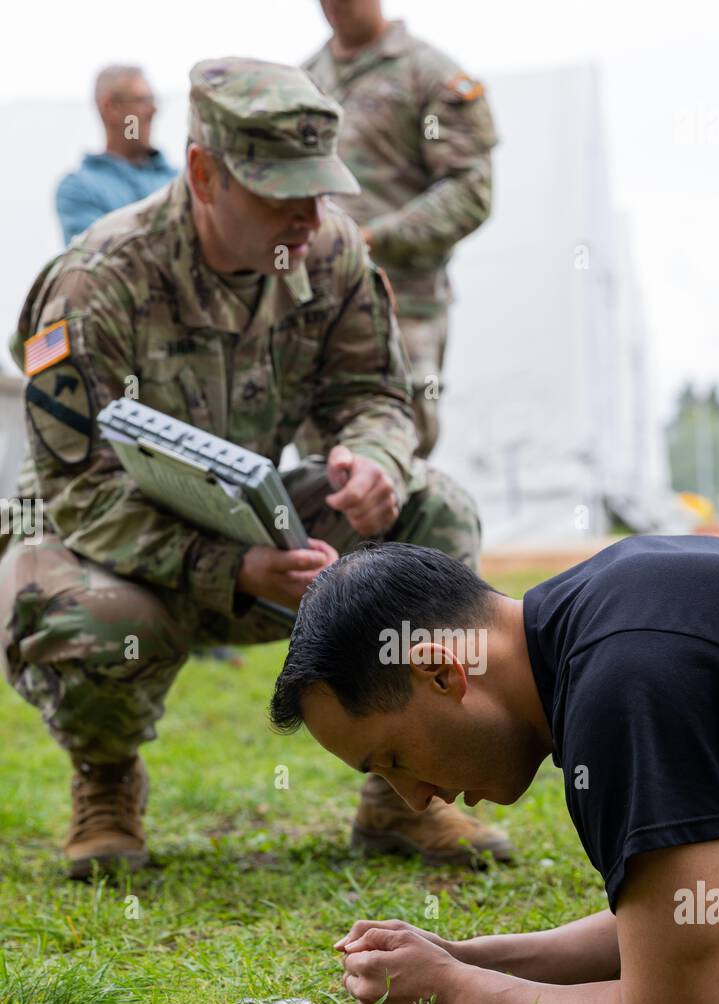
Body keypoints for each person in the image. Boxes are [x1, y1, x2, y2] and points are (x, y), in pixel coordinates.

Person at [0, 58, 511, 878]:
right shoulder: (95, 282)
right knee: (94, 617)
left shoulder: (332, 250)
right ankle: (104, 783)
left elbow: (375, 393)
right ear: (205, 174)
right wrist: (233, 570)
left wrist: (374, 456)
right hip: (113, 540)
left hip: (262, 522)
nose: (312, 216)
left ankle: (405, 788)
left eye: (322, 188)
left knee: (434, 515)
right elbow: (80, 490)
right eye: (283, 194)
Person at [269, 536, 719, 1004]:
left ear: (442, 673)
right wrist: (460, 959)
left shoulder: (626, 679)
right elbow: (668, 925)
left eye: (394, 759)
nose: (417, 800)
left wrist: (457, 992)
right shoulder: (601, 610)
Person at [304, 0, 497, 458]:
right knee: (318, 455)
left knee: (401, 448)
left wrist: (374, 237)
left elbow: (471, 189)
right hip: (317, 303)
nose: (333, 7)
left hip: (402, 303)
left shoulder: (428, 74)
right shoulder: (306, 80)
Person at [55, 66, 176, 244]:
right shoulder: (80, 188)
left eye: (154, 100)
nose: (153, 109)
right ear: (110, 108)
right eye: (143, 100)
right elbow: (96, 259)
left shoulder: (180, 178)